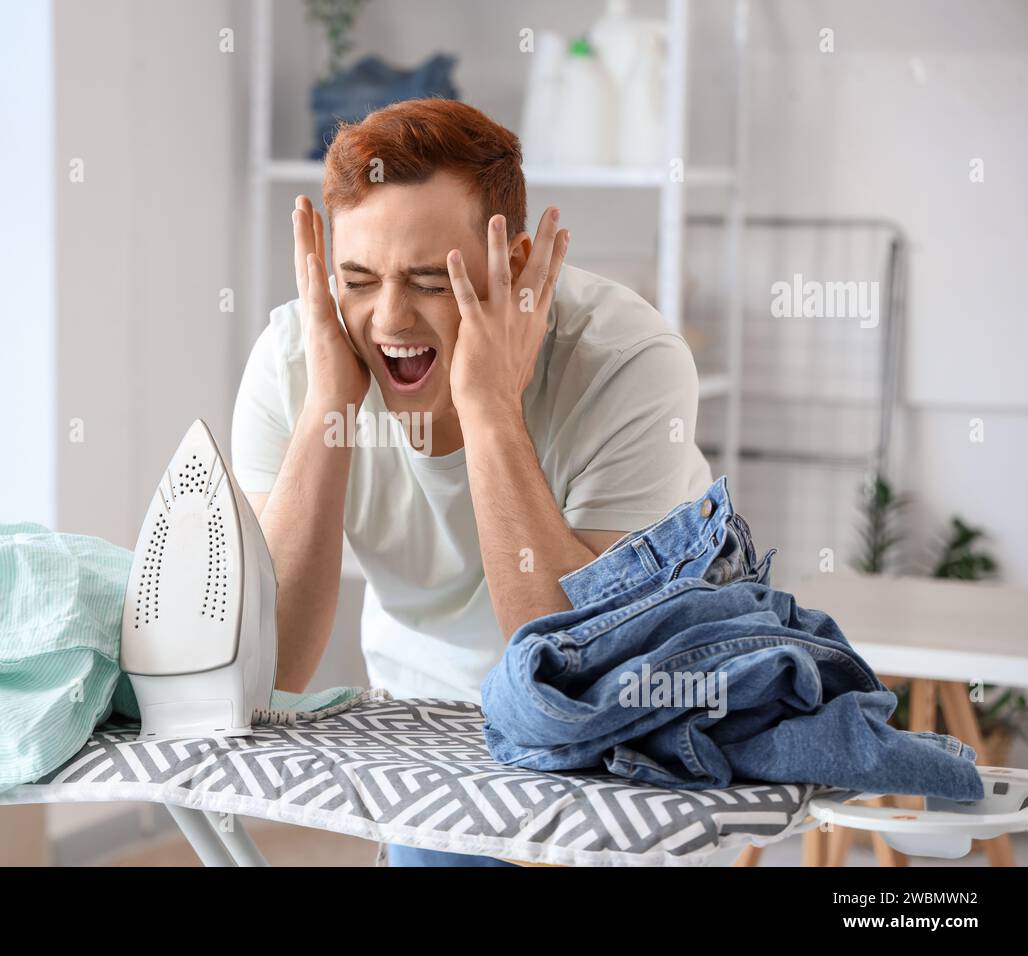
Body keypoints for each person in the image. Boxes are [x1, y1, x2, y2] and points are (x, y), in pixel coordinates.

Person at [231, 98, 712, 866]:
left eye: (429, 281)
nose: (389, 318)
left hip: (630, 735)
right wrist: (327, 407)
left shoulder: (627, 360)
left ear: (512, 267)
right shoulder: (300, 359)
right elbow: (268, 672)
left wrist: (488, 409)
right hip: (424, 737)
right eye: (358, 279)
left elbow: (574, 675)